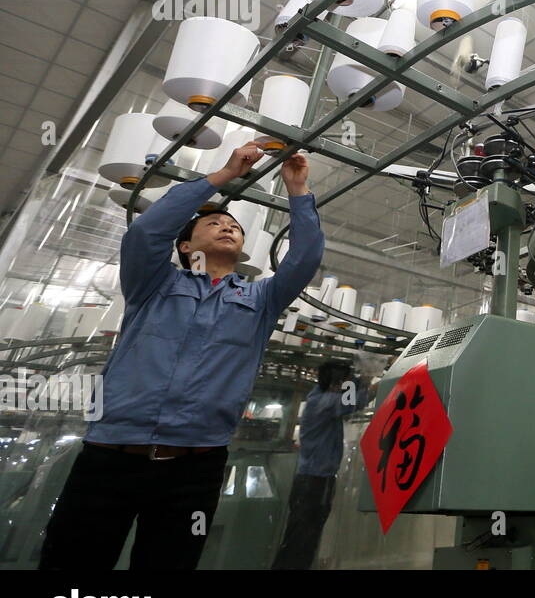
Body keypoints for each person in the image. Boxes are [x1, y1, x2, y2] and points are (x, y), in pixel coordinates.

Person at [39, 141, 324, 570]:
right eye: (213, 222)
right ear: (186, 246)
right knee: (73, 563)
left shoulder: (261, 298)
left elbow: (305, 258)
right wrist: (225, 174)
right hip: (109, 458)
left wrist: (297, 189)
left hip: (196, 469)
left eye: (234, 226)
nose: (228, 226)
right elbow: (145, 233)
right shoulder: (151, 284)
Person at [271, 360, 375, 569]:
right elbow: (358, 399)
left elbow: (353, 394)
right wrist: (391, 376)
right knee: (301, 540)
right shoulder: (324, 403)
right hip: (312, 483)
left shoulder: (323, 398)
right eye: (348, 382)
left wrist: (367, 374)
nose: (351, 385)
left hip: (318, 481)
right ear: (336, 385)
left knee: (307, 538)